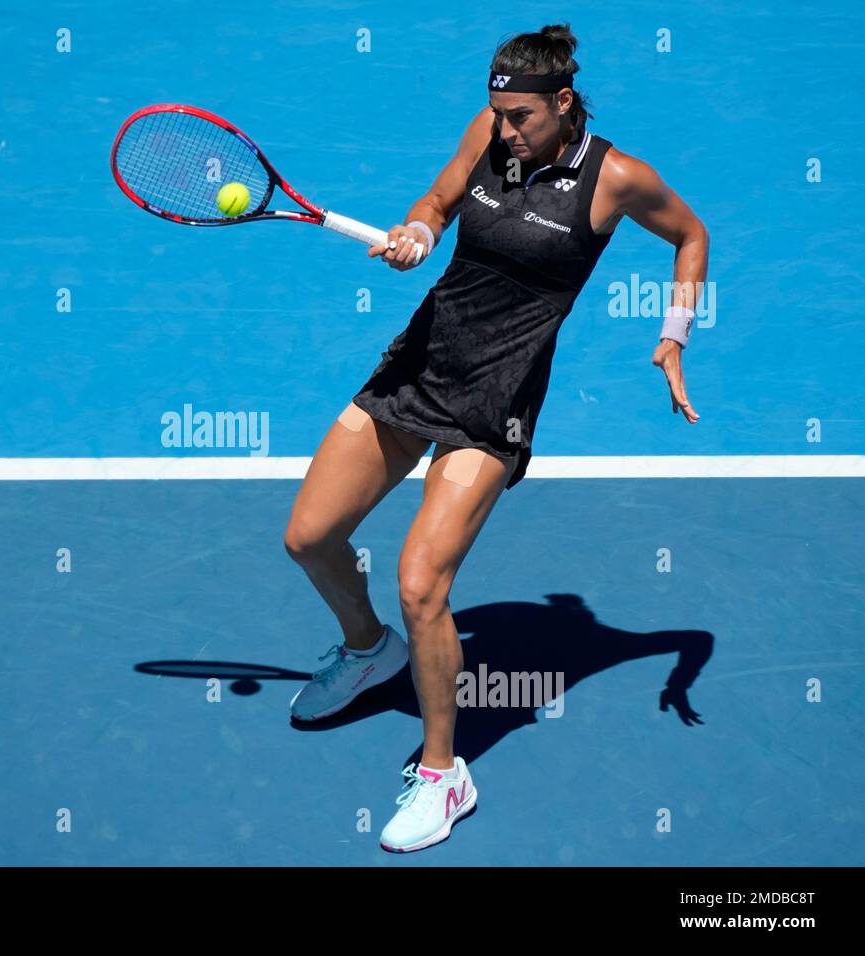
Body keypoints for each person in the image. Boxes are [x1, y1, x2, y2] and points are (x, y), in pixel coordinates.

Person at [282, 23, 709, 853]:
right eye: (496, 114)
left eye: (519, 117)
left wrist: (674, 333)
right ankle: (369, 652)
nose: (503, 131)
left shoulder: (616, 180)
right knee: (308, 536)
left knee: (423, 586)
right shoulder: (490, 130)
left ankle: (444, 775)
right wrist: (416, 233)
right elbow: (438, 201)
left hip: (497, 395)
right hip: (421, 358)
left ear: (563, 102)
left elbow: (691, 235)